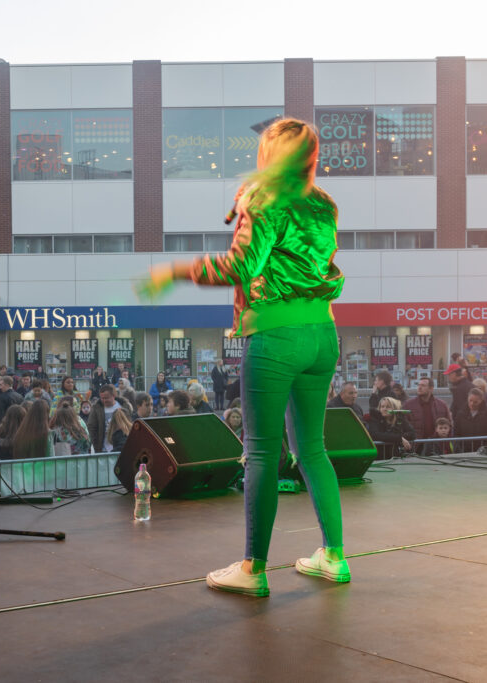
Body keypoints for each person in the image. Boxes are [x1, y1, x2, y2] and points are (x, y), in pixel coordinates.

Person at [138, 118, 349, 596]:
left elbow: (242, 265)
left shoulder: (262, 199)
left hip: (275, 335)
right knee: (312, 448)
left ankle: (254, 570)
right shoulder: (324, 205)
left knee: (258, 451)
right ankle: (333, 557)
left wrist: (174, 270)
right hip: (323, 332)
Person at [403, 377, 451, 441]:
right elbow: (403, 425)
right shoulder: (408, 405)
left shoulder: (442, 405)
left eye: (423, 385)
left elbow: (449, 425)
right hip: (416, 444)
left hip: (436, 444)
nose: (419, 388)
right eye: (418, 385)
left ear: (431, 388)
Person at [87, 384, 121, 453]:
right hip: (103, 448)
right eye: (102, 398)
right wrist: (96, 445)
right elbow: (91, 427)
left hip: (120, 447)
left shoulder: (122, 407)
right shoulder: (96, 408)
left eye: (106, 398)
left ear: (113, 396)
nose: (104, 400)